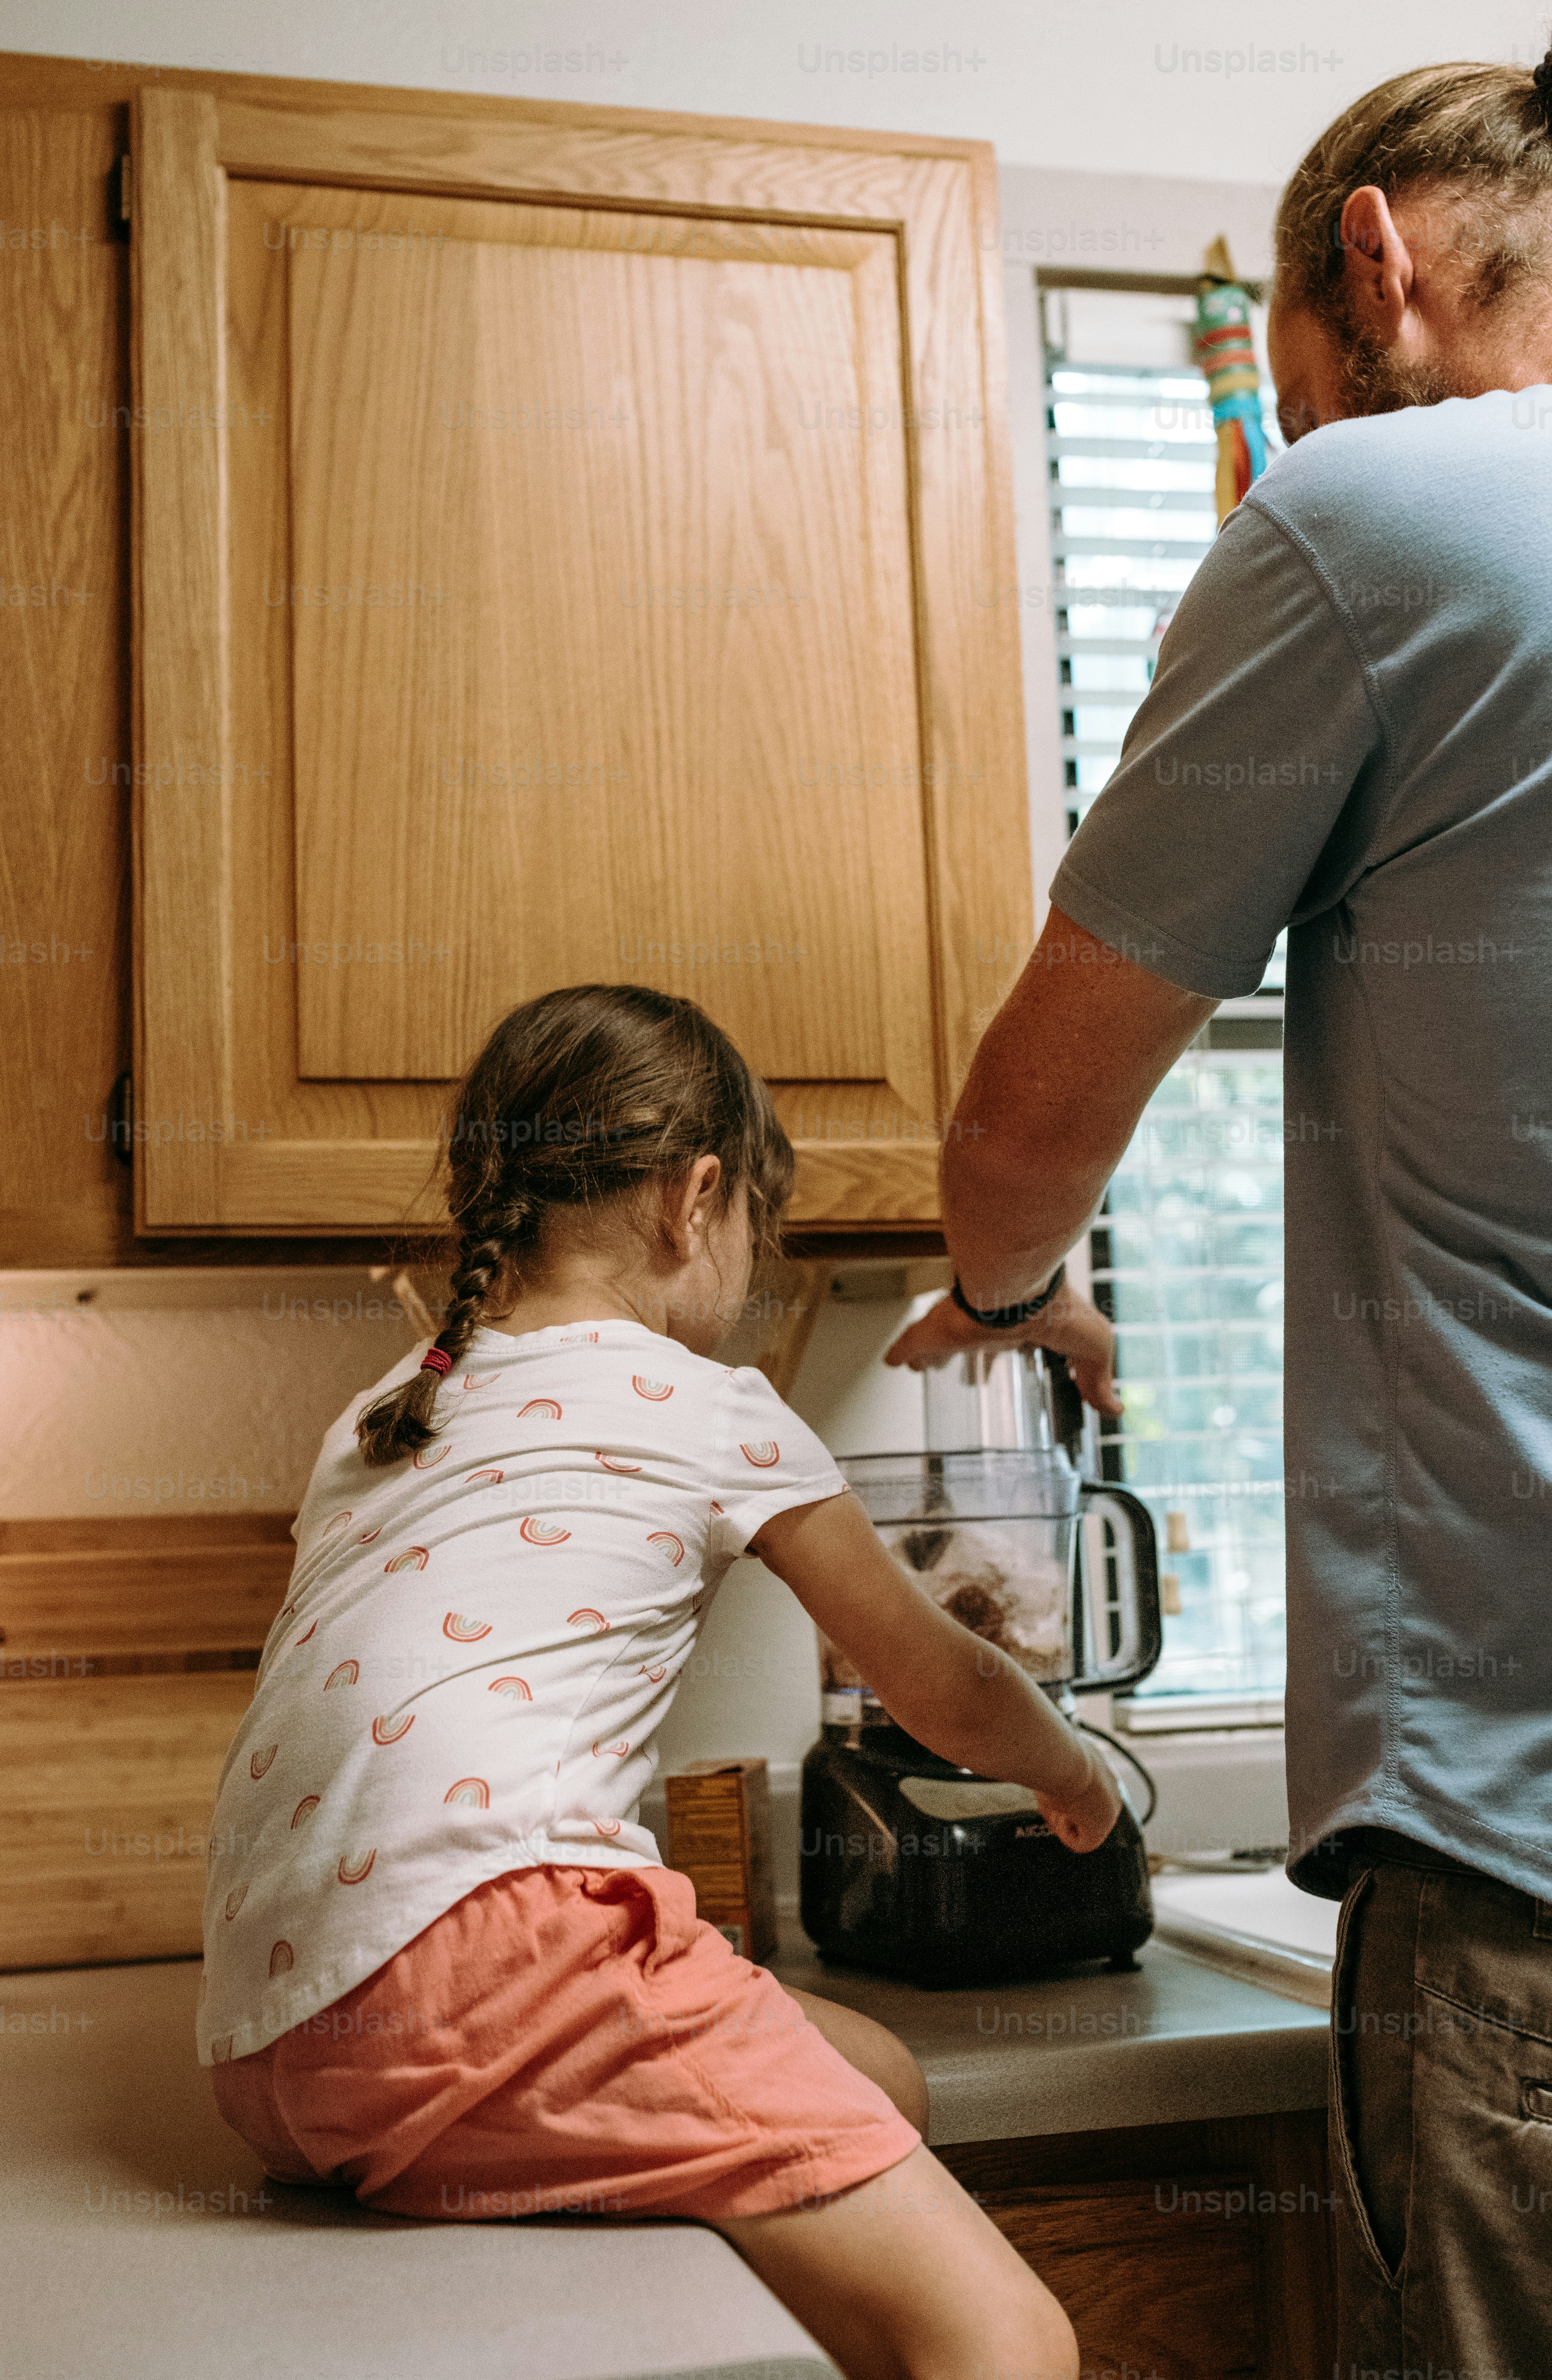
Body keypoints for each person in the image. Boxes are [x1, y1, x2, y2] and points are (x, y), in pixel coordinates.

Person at [888, 50, 1552, 2376]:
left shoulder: (1374, 512)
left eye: (1290, 373)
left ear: (1375, 255)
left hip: (1519, 1846)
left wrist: (1011, 1289)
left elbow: (1024, 1127)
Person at [200, 982, 1108, 2380]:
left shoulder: (381, 1418)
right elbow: (946, 1686)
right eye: (757, 1223)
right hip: (506, 1967)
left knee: (883, 2082)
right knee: (1010, 2339)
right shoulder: (712, 1404)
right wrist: (1073, 1768)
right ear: (696, 1199)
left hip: (279, 2054)